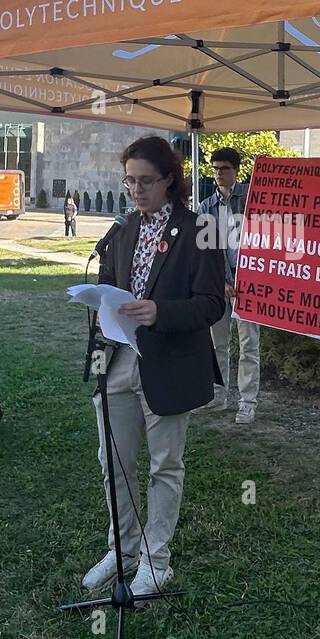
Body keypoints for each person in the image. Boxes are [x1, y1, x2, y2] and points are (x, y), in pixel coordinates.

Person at [81, 135, 225, 599]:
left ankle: (155, 561)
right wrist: (102, 302)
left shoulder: (200, 227)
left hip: (169, 364)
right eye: (129, 182)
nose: (136, 190)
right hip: (119, 359)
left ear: (169, 180)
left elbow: (211, 305)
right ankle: (121, 550)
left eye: (146, 181)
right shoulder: (122, 230)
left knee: (165, 465)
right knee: (114, 462)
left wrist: (162, 312)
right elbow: (111, 283)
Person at [195, 147, 260, 423]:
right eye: (215, 168)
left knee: (249, 344)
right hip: (219, 285)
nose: (219, 173)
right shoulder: (205, 206)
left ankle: (247, 401)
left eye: (224, 168)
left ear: (236, 170)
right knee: (217, 342)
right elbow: (203, 251)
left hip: (249, 283)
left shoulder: (252, 199)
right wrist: (220, 281)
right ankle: (218, 395)